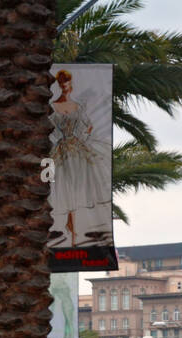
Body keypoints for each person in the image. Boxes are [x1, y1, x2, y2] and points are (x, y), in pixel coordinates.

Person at [49, 69, 109, 248]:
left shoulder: (76, 106)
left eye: (67, 84)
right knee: (65, 186)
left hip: (75, 149)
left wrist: (81, 137)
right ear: (60, 85)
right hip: (62, 150)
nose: (65, 87)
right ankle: (71, 227)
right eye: (62, 84)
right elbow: (50, 128)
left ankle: (73, 229)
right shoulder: (54, 106)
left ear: (70, 84)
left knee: (74, 187)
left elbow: (88, 126)